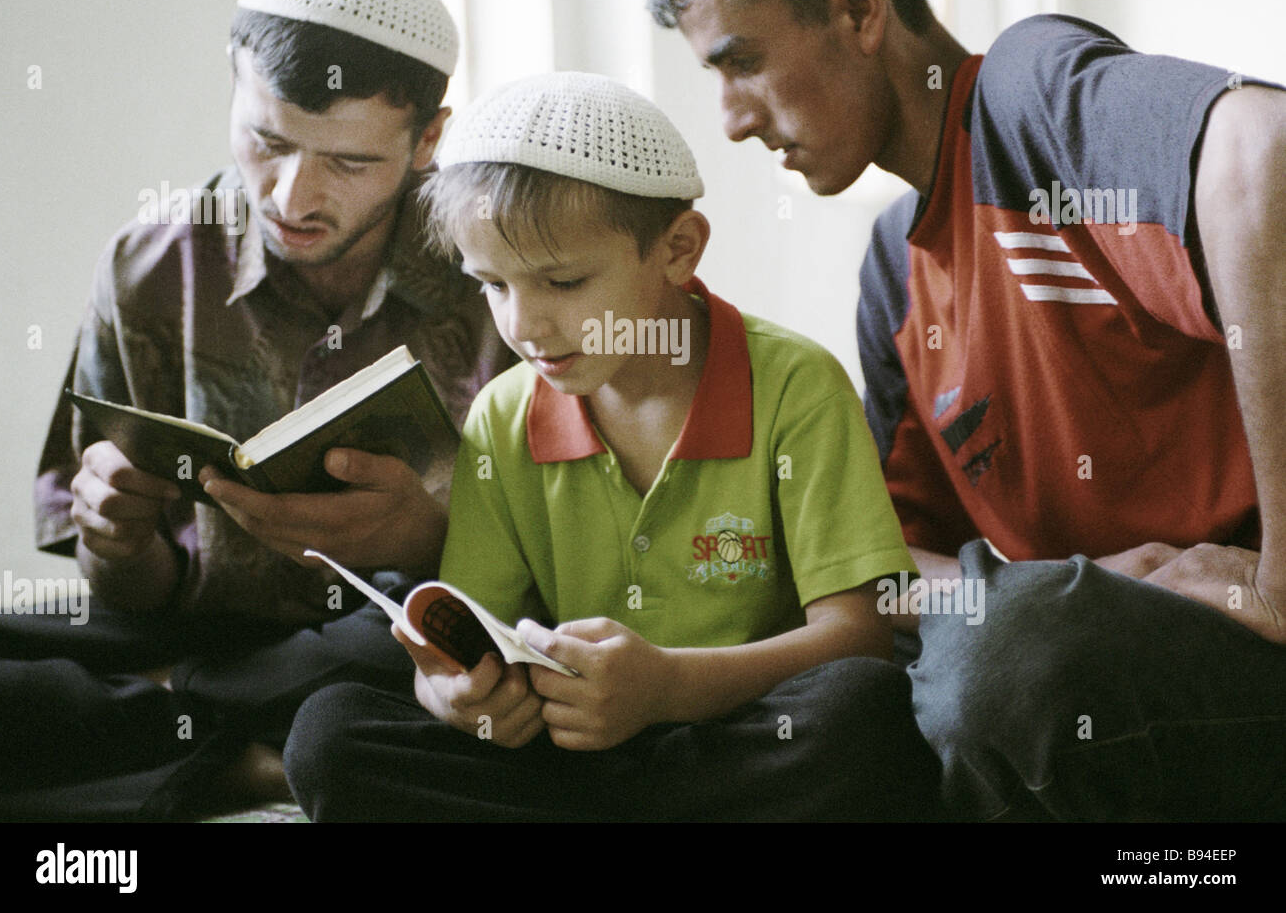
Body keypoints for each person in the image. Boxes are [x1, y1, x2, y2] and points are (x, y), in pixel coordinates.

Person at [646, 0, 1286, 821]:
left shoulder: (1022, 98)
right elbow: (885, 565)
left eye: (741, 61)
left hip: (1237, 650)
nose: (733, 120)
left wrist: (1281, 574)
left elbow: (1260, 153)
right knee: (848, 698)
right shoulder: (894, 272)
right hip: (1103, 664)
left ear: (859, 10)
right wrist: (1075, 582)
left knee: (1004, 660)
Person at [282, 71, 943, 822]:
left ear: (677, 250)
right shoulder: (504, 417)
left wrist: (665, 687)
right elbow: (465, 645)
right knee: (330, 735)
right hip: (577, 758)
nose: (525, 324)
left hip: (734, 740)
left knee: (864, 714)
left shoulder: (795, 386)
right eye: (492, 285)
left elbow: (857, 638)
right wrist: (459, 699)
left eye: (562, 282)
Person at [0, 0, 512, 821]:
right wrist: (116, 544)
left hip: (385, 642)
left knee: (413, 663)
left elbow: (546, 579)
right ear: (234, 82)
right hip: (188, 630)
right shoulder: (150, 264)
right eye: (266, 142)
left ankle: (163, 724)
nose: (292, 197)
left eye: (348, 163)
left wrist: (429, 535)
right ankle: (249, 759)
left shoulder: (496, 274)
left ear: (429, 138)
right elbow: (131, 592)